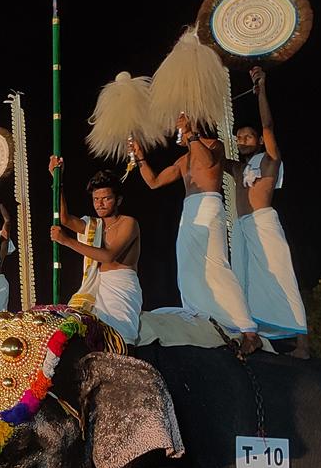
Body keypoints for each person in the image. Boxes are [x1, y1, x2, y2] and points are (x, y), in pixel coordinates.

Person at [133, 113, 261, 354]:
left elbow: (207, 165)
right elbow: (154, 181)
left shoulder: (214, 146)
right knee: (188, 268)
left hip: (209, 205)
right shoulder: (183, 160)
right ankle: (201, 317)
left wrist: (192, 134)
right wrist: (140, 157)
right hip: (190, 211)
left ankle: (248, 330)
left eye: (182, 130)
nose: (179, 134)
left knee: (216, 266)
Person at [229, 67, 310, 358]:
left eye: (249, 137)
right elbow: (208, 160)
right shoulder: (237, 168)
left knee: (280, 275)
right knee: (243, 279)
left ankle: (302, 344)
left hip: (263, 222)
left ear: (259, 141)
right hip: (241, 226)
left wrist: (261, 90)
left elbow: (268, 126)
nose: (243, 140)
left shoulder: (270, 160)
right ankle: (252, 335)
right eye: (239, 137)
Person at [49, 161, 143, 342]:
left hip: (122, 286)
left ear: (119, 200)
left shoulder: (128, 223)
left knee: (119, 338)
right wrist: (57, 179)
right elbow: (64, 218)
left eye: (106, 198)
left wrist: (66, 241)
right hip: (97, 287)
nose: (99, 204)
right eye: (95, 199)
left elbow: (108, 256)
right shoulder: (93, 225)